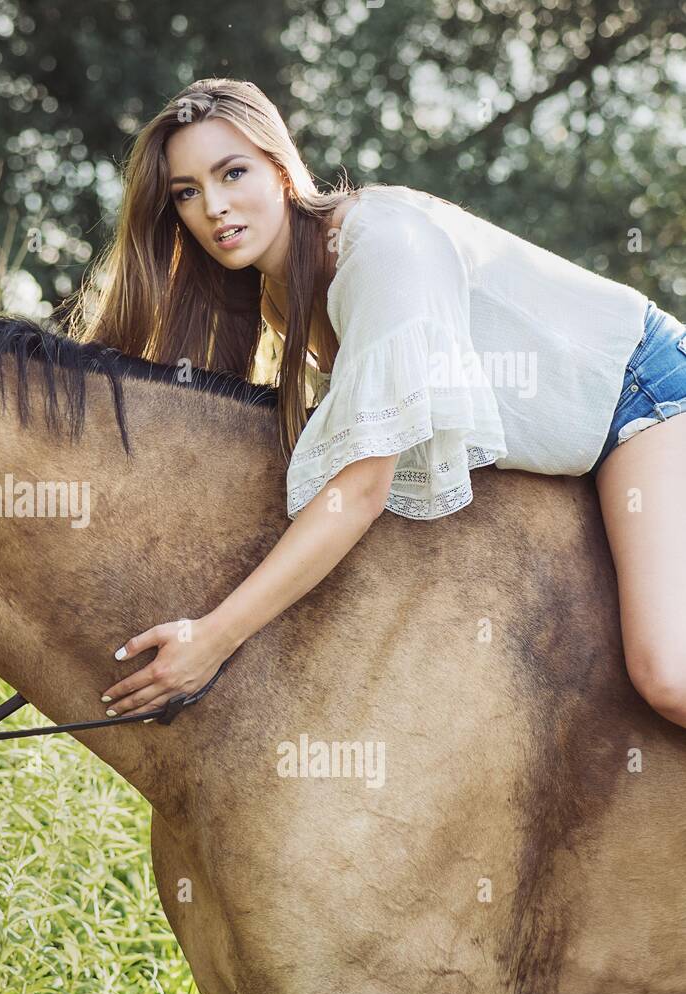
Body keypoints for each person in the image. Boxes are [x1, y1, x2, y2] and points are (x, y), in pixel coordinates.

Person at [82, 78, 686, 729]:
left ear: (282, 167)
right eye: (188, 193)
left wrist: (214, 639)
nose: (215, 208)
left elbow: (362, 488)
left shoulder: (381, 247)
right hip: (576, 441)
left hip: (640, 394)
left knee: (667, 675)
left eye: (233, 173)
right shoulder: (283, 298)